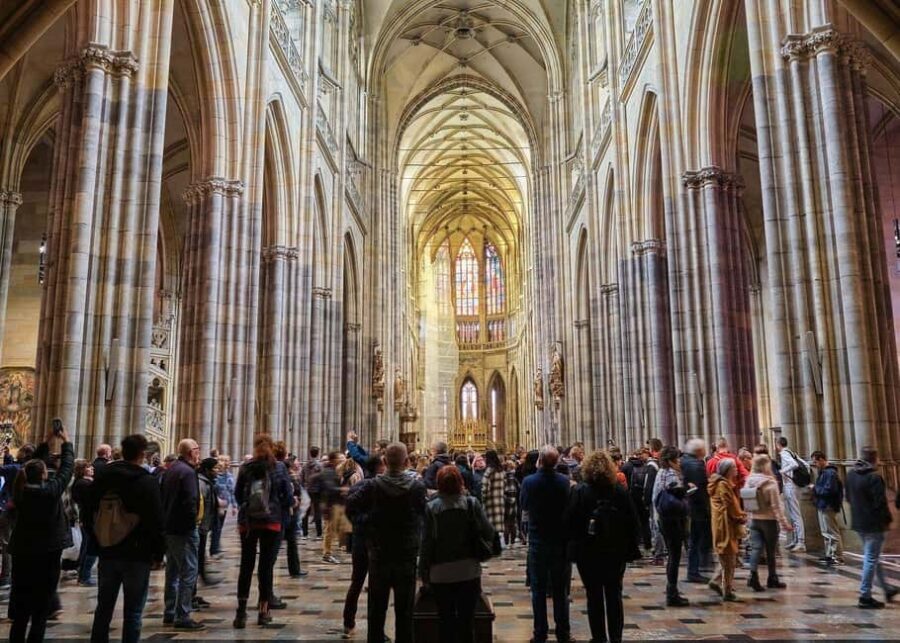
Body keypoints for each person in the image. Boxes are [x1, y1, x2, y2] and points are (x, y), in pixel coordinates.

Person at [87, 434, 166, 643]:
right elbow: (156, 521)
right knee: (133, 612)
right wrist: (159, 553)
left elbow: (88, 510)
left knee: (103, 607)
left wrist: (96, 540)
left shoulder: (104, 476)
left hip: (108, 549)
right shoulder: (147, 481)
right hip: (137, 554)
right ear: (142, 454)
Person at [346, 442, 426, 643]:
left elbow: (350, 507)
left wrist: (368, 522)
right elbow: (424, 516)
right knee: (405, 612)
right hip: (406, 555)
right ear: (407, 462)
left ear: (384, 461)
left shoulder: (373, 486)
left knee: (376, 611)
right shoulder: (417, 487)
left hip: (379, 554)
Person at [565, 450, 641, 643]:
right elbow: (633, 521)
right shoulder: (619, 491)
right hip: (615, 552)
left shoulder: (580, 491)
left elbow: (570, 522)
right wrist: (631, 547)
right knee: (614, 595)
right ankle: (616, 638)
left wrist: (573, 546)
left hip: (588, 552)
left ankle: (599, 638)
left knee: (594, 596)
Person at [8, 423, 74, 643]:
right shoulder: (50, 492)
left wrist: (46, 441)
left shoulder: (19, 490)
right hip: (47, 553)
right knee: (40, 614)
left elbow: (29, 466)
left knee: (20, 612)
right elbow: (67, 468)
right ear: (45, 474)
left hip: (23, 552)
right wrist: (65, 442)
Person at [419, 465, 495, 643]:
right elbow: (489, 531)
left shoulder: (431, 508)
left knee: (445, 620)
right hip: (468, 570)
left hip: (440, 573)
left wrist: (423, 572)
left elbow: (427, 543)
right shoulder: (471, 503)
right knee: (467, 621)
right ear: (460, 482)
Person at [232, 434, 293, 628]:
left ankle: (240, 613)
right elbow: (287, 494)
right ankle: (263, 612)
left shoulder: (246, 467)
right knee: (266, 568)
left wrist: (248, 507)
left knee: (246, 566)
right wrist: (280, 505)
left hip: (248, 523)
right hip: (272, 522)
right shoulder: (279, 467)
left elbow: (237, 493)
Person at [520, 445, 572, 643]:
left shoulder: (529, 481)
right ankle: (563, 633)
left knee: (538, 590)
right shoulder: (564, 482)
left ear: (539, 461)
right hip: (560, 541)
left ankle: (540, 633)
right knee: (560, 591)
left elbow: (524, 505)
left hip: (538, 540)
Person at [846, 446, 898, 608]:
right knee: (871, 558)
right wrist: (887, 520)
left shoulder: (851, 475)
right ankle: (865, 595)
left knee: (874, 557)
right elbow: (880, 504)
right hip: (874, 524)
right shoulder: (874, 478)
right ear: (874, 459)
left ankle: (887, 588)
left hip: (859, 522)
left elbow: (848, 497)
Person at [160, 439, 204, 630]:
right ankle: (183, 615)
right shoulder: (187, 472)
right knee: (189, 571)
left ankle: (170, 611)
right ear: (190, 452)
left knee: (172, 571)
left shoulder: (171, 469)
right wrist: (192, 523)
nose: (199, 453)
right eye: (197, 450)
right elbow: (190, 500)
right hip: (184, 529)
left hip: (169, 527)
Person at [342, 455, 385, 639]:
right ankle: (376, 631)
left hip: (361, 538)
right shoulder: (379, 486)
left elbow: (349, 510)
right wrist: (368, 521)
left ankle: (348, 623)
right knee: (374, 585)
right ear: (380, 467)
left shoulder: (359, 486)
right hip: (374, 540)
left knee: (357, 582)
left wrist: (358, 523)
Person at [743, 455, 791, 592]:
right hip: (769, 521)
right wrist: (784, 523)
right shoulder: (770, 483)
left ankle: (753, 576)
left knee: (756, 549)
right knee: (770, 551)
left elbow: (747, 503)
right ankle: (772, 578)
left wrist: (748, 519)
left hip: (754, 520)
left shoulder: (749, 481)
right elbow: (776, 506)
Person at [652, 445, 689, 606]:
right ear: (671, 460)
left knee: (672, 555)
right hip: (673, 520)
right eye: (677, 458)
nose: (680, 461)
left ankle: (671, 590)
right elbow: (677, 498)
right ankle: (672, 592)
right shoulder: (671, 474)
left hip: (663, 518)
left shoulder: (660, 472)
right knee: (674, 555)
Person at [708, 459, 746, 602]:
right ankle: (727, 590)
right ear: (728, 470)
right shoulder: (723, 485)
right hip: (725, 526)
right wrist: (740, 517)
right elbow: (729, 506)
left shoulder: (719, 483)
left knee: (728, 557)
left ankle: (717, 581)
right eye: (734, 468)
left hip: (722, 525)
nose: (737, 470)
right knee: (729, 558)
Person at [681, 438, 711, 583]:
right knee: (697, 540)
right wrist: (706, 508)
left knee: (693, 540)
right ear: (699, 451)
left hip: (688, 507)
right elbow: (699, 490)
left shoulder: (684, 462)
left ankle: (695, 569)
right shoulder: (697, 465)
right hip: (697, 509)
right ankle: (694, 570)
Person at [811, 450, 844, 565]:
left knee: (832, 531)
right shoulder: (824, 472)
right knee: (825, 531)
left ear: (821, 460)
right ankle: (829, 554)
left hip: (828, 504)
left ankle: (838, 556)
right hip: (822, 504)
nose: (815, 465)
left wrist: (815, 489)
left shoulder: (830, 473)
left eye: (815, 462)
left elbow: (830, 490)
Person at [775, 437, 806, 552]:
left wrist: (782, 471)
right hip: (791, 486)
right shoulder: (791, 452)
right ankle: (795, 539)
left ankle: (801, 542)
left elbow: (794, 464)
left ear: (778, 444)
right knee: (792, 514)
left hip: (791, 486)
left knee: (796, 514)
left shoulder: (784, 453)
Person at [71, 459, 97, 586]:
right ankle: (84, 577)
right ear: (82, 470)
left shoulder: (83, 483)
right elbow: (91, 501)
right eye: (89, 467)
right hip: (89, 518)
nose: (92, 469)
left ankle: (83, 575)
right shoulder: (83, 484)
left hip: (86, 517)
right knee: (90, 547)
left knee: (87, 546)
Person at [211, 455, 236, 556]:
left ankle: (216, 545)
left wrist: (234, 505)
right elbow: (214, 488)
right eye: (227, 461)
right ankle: (215, 548)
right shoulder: (215, 476)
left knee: (219, 526)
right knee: (216, 526)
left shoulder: (229, 475)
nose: (229, 463)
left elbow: (231, 491)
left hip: (225, 504)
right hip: (216, 504)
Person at [480, 449, 505, 550]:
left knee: (490, 525)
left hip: (490, 501)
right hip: (499, 500)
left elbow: (485, 487)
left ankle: (494, 546)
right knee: (496, 525)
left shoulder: (489, 471)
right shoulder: (501, 470)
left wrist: (483, 499)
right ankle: (497, 545)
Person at [300, 446, 323, 539]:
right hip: (316, 491)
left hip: (307, 490)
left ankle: (305, 533)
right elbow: (321, 478)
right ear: (317, 453)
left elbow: (301, 477)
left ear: (310, 453)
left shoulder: (305, 465)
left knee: (306, 511)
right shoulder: (320, 466)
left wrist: (304, 487)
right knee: (317, 511)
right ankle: (319, 533)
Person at [503, 459, 520, 547]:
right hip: (514, 500)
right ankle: (512, 541)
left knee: (506, 522)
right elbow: (518, 488)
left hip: (505, 500)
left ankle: (506, 541)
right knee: (513, 522)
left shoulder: (503, 476)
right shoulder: (515, 477)